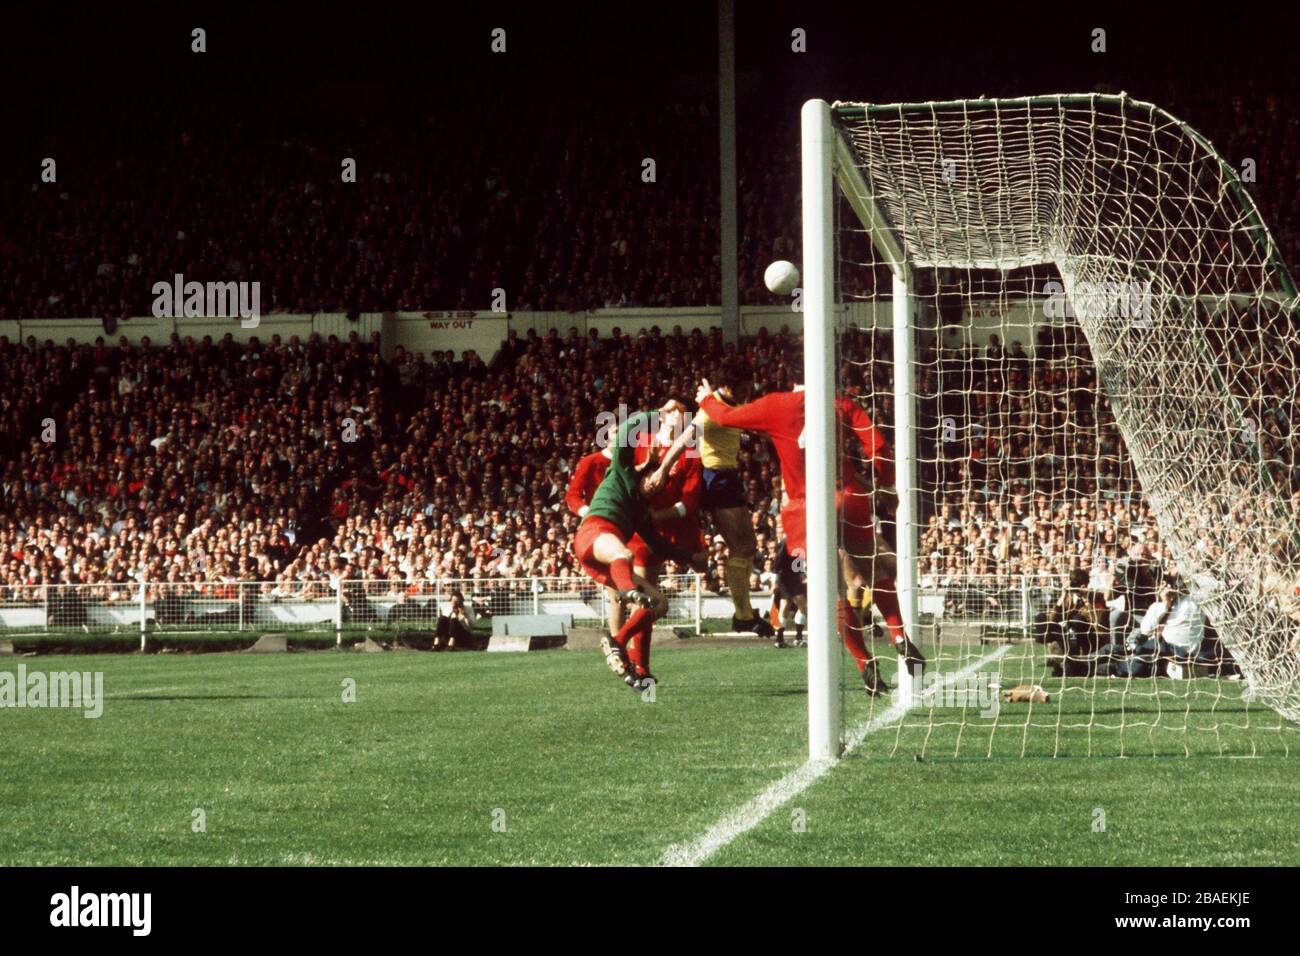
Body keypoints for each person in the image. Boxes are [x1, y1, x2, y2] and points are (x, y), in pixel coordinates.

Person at [653, 379, 924, 696]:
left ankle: (864, 662)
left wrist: (706, 398)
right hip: (848, 496)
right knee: (874, 571)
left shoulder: (775, 404)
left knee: (830, 591)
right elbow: (877, 445)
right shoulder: (840, 401)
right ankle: (900, 636)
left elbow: (725, 417)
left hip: (806, 508)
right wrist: (888, 487)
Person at [572, 409, 707, 691]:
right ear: (643, 471)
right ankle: (627, 595)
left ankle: (626, 656)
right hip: (593, 534)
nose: (654, 486)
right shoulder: (621, 473)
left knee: (658, 602)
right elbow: (625, 434)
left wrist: (690, 557)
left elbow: (659, 545)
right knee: (625, 555)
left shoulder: (641, 512)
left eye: (658, 488)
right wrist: (660, 414)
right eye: (652, 480)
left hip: (605, 554)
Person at [657, 358, 774, 637]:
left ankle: (744, 613)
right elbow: (685, 438)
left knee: (747, 548)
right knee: (741, 547)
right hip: (716, 479)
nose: (746, 392)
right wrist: (662, 470)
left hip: (728, 478)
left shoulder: (724, 404)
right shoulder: (708, 414)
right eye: (742, 387)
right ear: (727, 386)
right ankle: (743, 615)